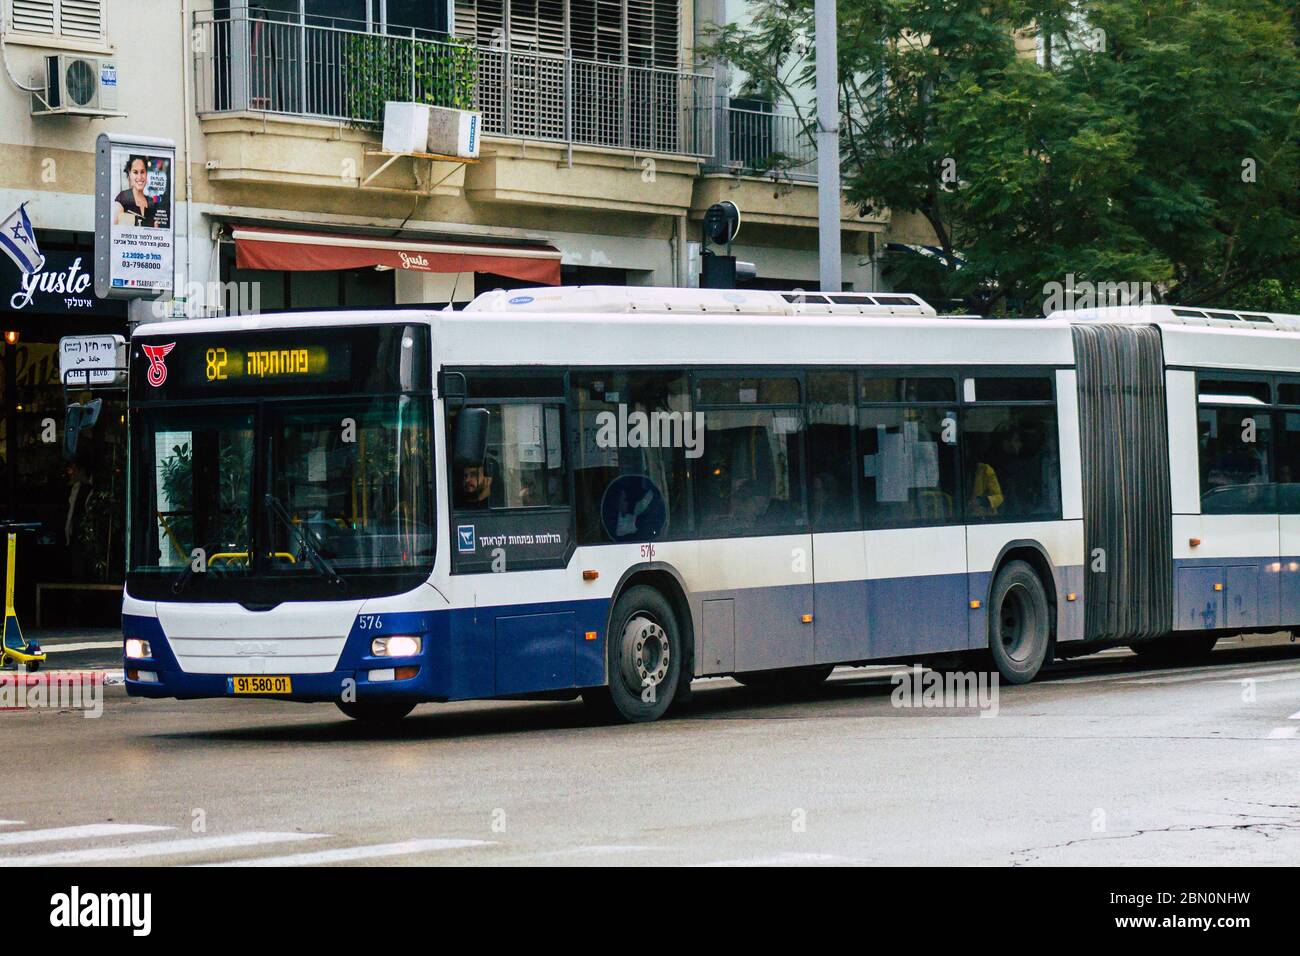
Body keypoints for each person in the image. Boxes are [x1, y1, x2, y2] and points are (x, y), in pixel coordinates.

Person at [113, 156, 159, 228]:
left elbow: (157, 234)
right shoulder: (122, 198)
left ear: (146, 174)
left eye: (142, 172)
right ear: (130, 174)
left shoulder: (151, 203)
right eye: (135, 172)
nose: (140, 177)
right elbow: (115, 231)